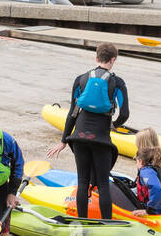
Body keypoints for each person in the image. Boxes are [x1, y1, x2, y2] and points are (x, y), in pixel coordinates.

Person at [47, 42, 129, 220]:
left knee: (82, 181)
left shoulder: (81, 79)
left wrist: (64, 140)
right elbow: (125, 114)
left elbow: (72, 113)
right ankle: (106, 223)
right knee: (102, 184)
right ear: (113, 59)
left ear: (96, 57)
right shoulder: (117, 83)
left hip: (79, 137)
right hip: (101, 138)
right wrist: (112, 126)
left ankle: (82, 222)